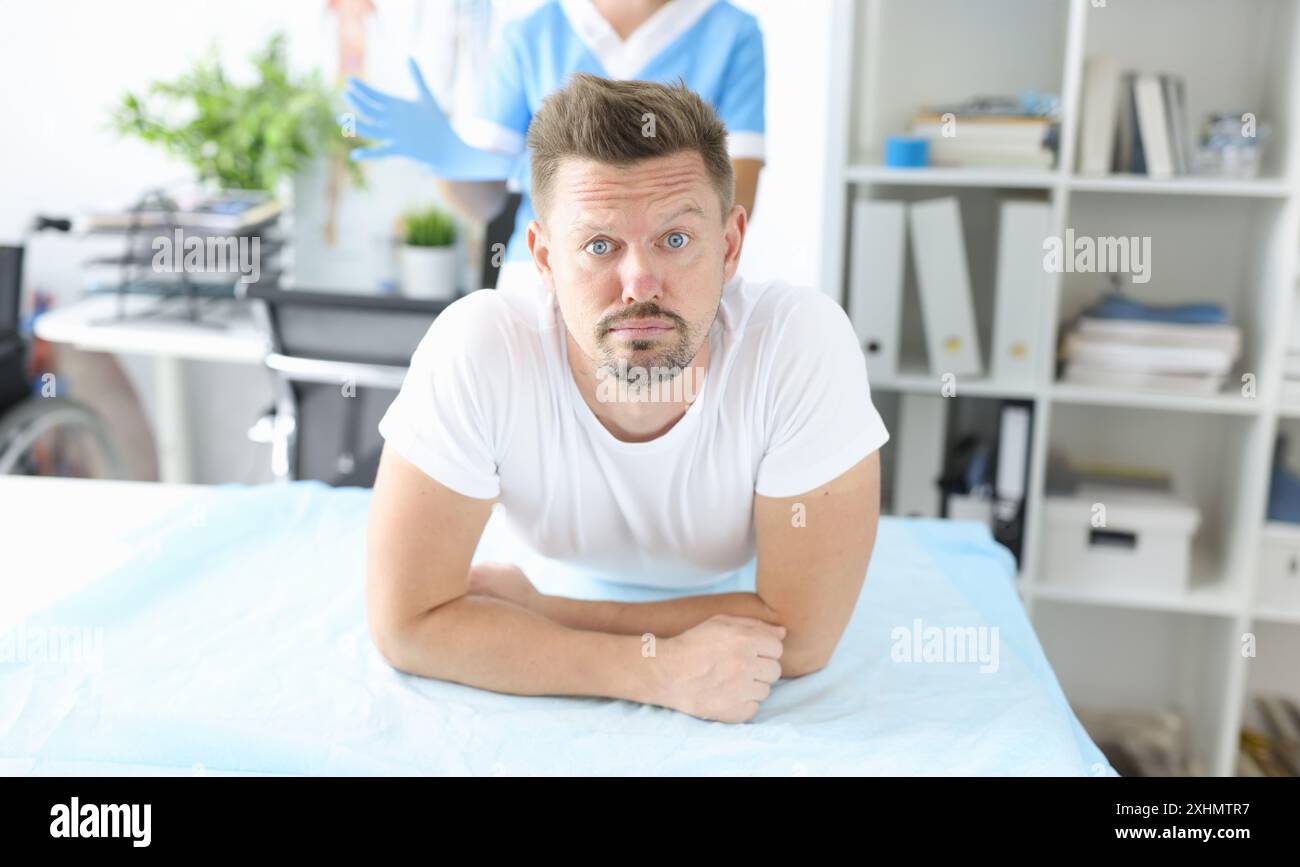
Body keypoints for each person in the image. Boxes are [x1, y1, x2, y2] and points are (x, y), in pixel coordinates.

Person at [367, 75, 887, 724]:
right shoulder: (478, 348)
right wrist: (654, 669)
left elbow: (802, 636)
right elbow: (409, 623)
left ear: (728, 245)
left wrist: (545, 610)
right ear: (545, 258)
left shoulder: (798, 344)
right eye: (599, 245)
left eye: (674, 240)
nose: (639, 282)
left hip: (540, 592)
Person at [344, 0, 765, 292]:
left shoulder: (731, 33)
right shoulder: (533, 33)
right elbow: (485, 203)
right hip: (539, 283)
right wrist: (445, 159)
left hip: (666, 283)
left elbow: (732, 201)